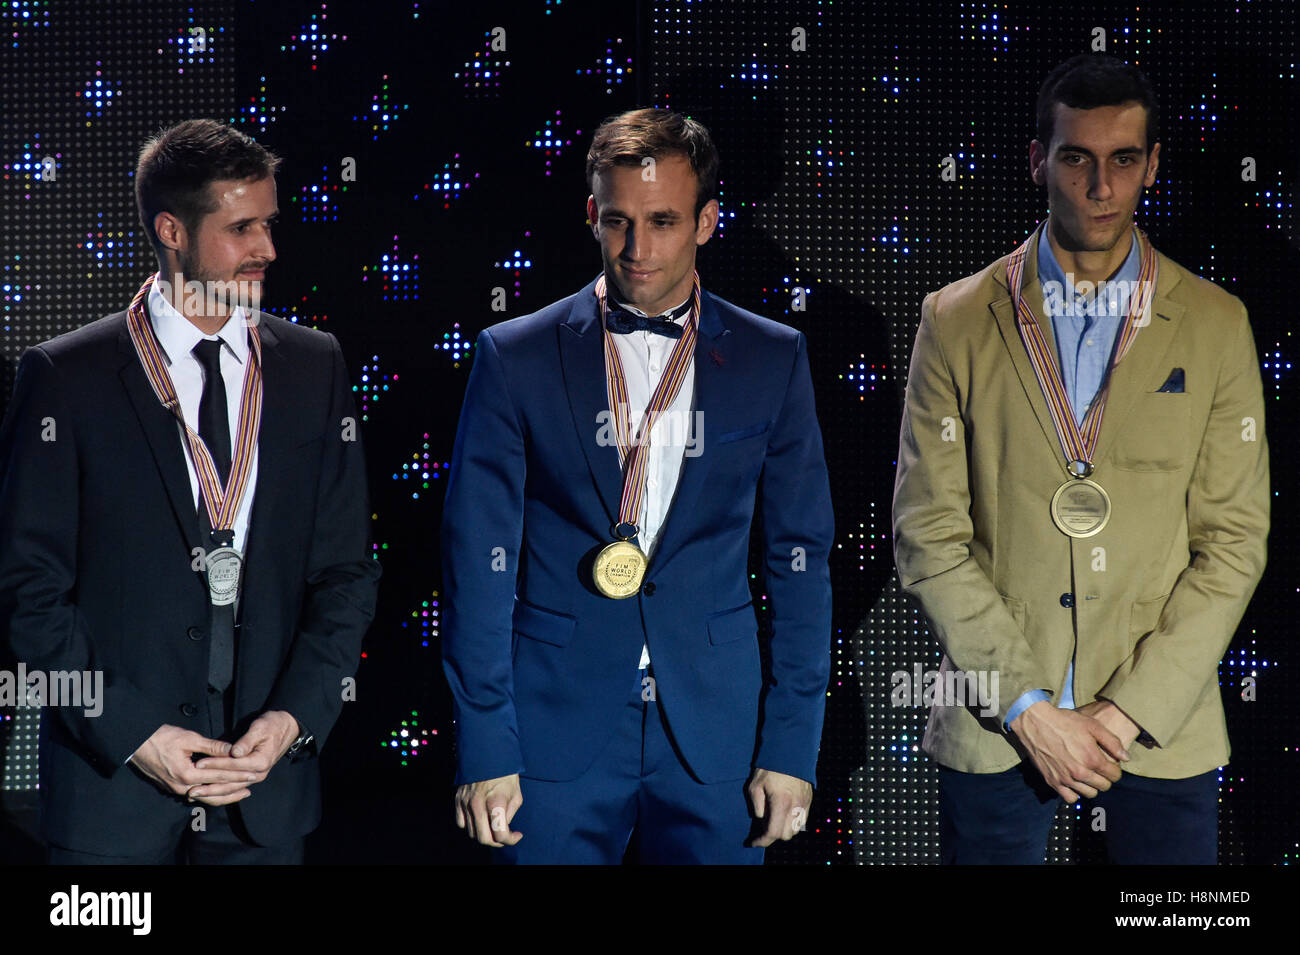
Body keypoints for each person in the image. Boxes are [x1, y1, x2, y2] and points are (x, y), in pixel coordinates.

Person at [892, 54, 1269, 864]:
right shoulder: (955, 320)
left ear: (1152, 165)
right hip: (999, 726)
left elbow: (1235, 540)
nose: (1100, 186)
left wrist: (1125, 712)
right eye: (1076, 158)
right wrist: (1029, 707)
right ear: (1038, 159)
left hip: (1161, 725)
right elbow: (928, 534)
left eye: (1123, 160)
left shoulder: (1215, 323)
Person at [441, 107, 834, 864]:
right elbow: (474, 566)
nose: (638, 248)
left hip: (716, 732)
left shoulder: (772, 357)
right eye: (618, 221)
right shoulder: (513, 355)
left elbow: (802, 561)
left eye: (662, 221)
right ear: (592, 215)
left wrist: (792, 745)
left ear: (707, 221)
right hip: (552, 729)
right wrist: (486, 743)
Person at [0, 119, 381, 863]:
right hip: (111, 799)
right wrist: (134, 734)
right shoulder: (67, 377)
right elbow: (27, 592)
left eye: (268, 223)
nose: (267, 248)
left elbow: (345, 572)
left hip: (261, 796)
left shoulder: (313, 365)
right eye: (242, 228)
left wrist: (294, 718)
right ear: (173, 230)